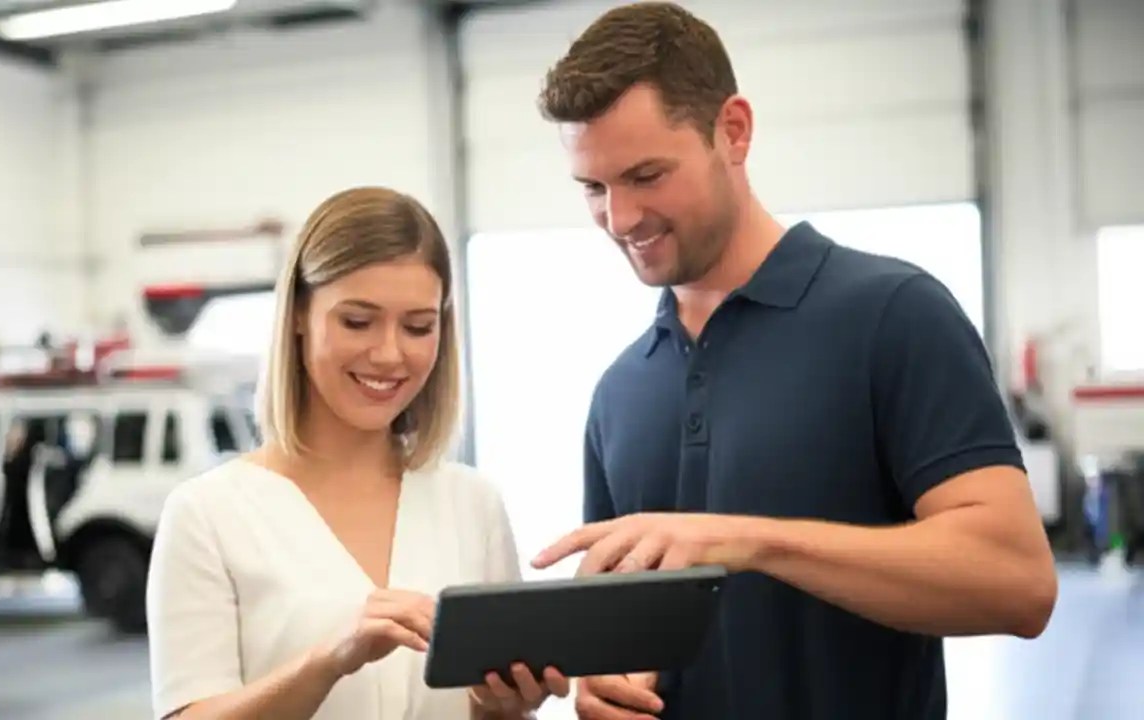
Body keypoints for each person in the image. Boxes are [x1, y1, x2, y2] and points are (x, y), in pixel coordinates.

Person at [526, 4, 1058, 720]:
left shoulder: (894, 316)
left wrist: (752, 541)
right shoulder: (620, 391)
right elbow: (623, 635)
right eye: (594, 188)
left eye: (647, 175)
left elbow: (1018, 585)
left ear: (734, 132)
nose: (620, 220)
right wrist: (603, 681)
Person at [146, 187, 569, 720]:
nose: (390, 354)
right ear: (299, 315)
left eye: (418, 326)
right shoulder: (208, 515)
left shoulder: (472, 504)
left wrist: (502, 706)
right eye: (357, 321)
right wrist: (327, 660)